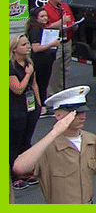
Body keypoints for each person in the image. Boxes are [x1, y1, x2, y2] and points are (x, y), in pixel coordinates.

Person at [13, 86, 96, 203]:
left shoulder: (91, 140)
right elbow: (19, 168)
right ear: (58, 116)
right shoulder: (46, 146)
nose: (82, 116)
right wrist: (54, 133)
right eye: (75, 112)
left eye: (83, 111)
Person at [9, 34, 42, 191]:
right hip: (16, 109)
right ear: (14, 49)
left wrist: (39, 104)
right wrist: (28, 74)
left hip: (30, 108)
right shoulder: (9, 67)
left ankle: (27, 171)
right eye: (24, 44)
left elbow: (34, 85)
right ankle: (15, 175)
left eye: (28, 43)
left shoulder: (29, 62)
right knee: (14, 143)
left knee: (27, 141)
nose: (28, 46)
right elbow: (18, 89)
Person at [42, 0, 74, 95]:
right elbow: (46, 26)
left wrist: (73, 25)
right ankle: (53, 94)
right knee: (55, 69)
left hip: (67, 40)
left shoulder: (65, 6)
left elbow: (71, 20)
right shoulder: (45, 10)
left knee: (66, 68)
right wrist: (62, 21)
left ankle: (63, 91)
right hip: (56, 42)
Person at [26, 6, 59, 106]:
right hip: (40, 61)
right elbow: (35, 48)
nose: (45, 18)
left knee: (43, 84)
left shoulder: (41, 28)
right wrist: (52, 44)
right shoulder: (36, 30)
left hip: (46, 59)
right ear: (36, 18)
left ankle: (41, 105)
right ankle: (41, 106)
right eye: (42, 16)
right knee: (41, 84)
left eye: (46, 16)